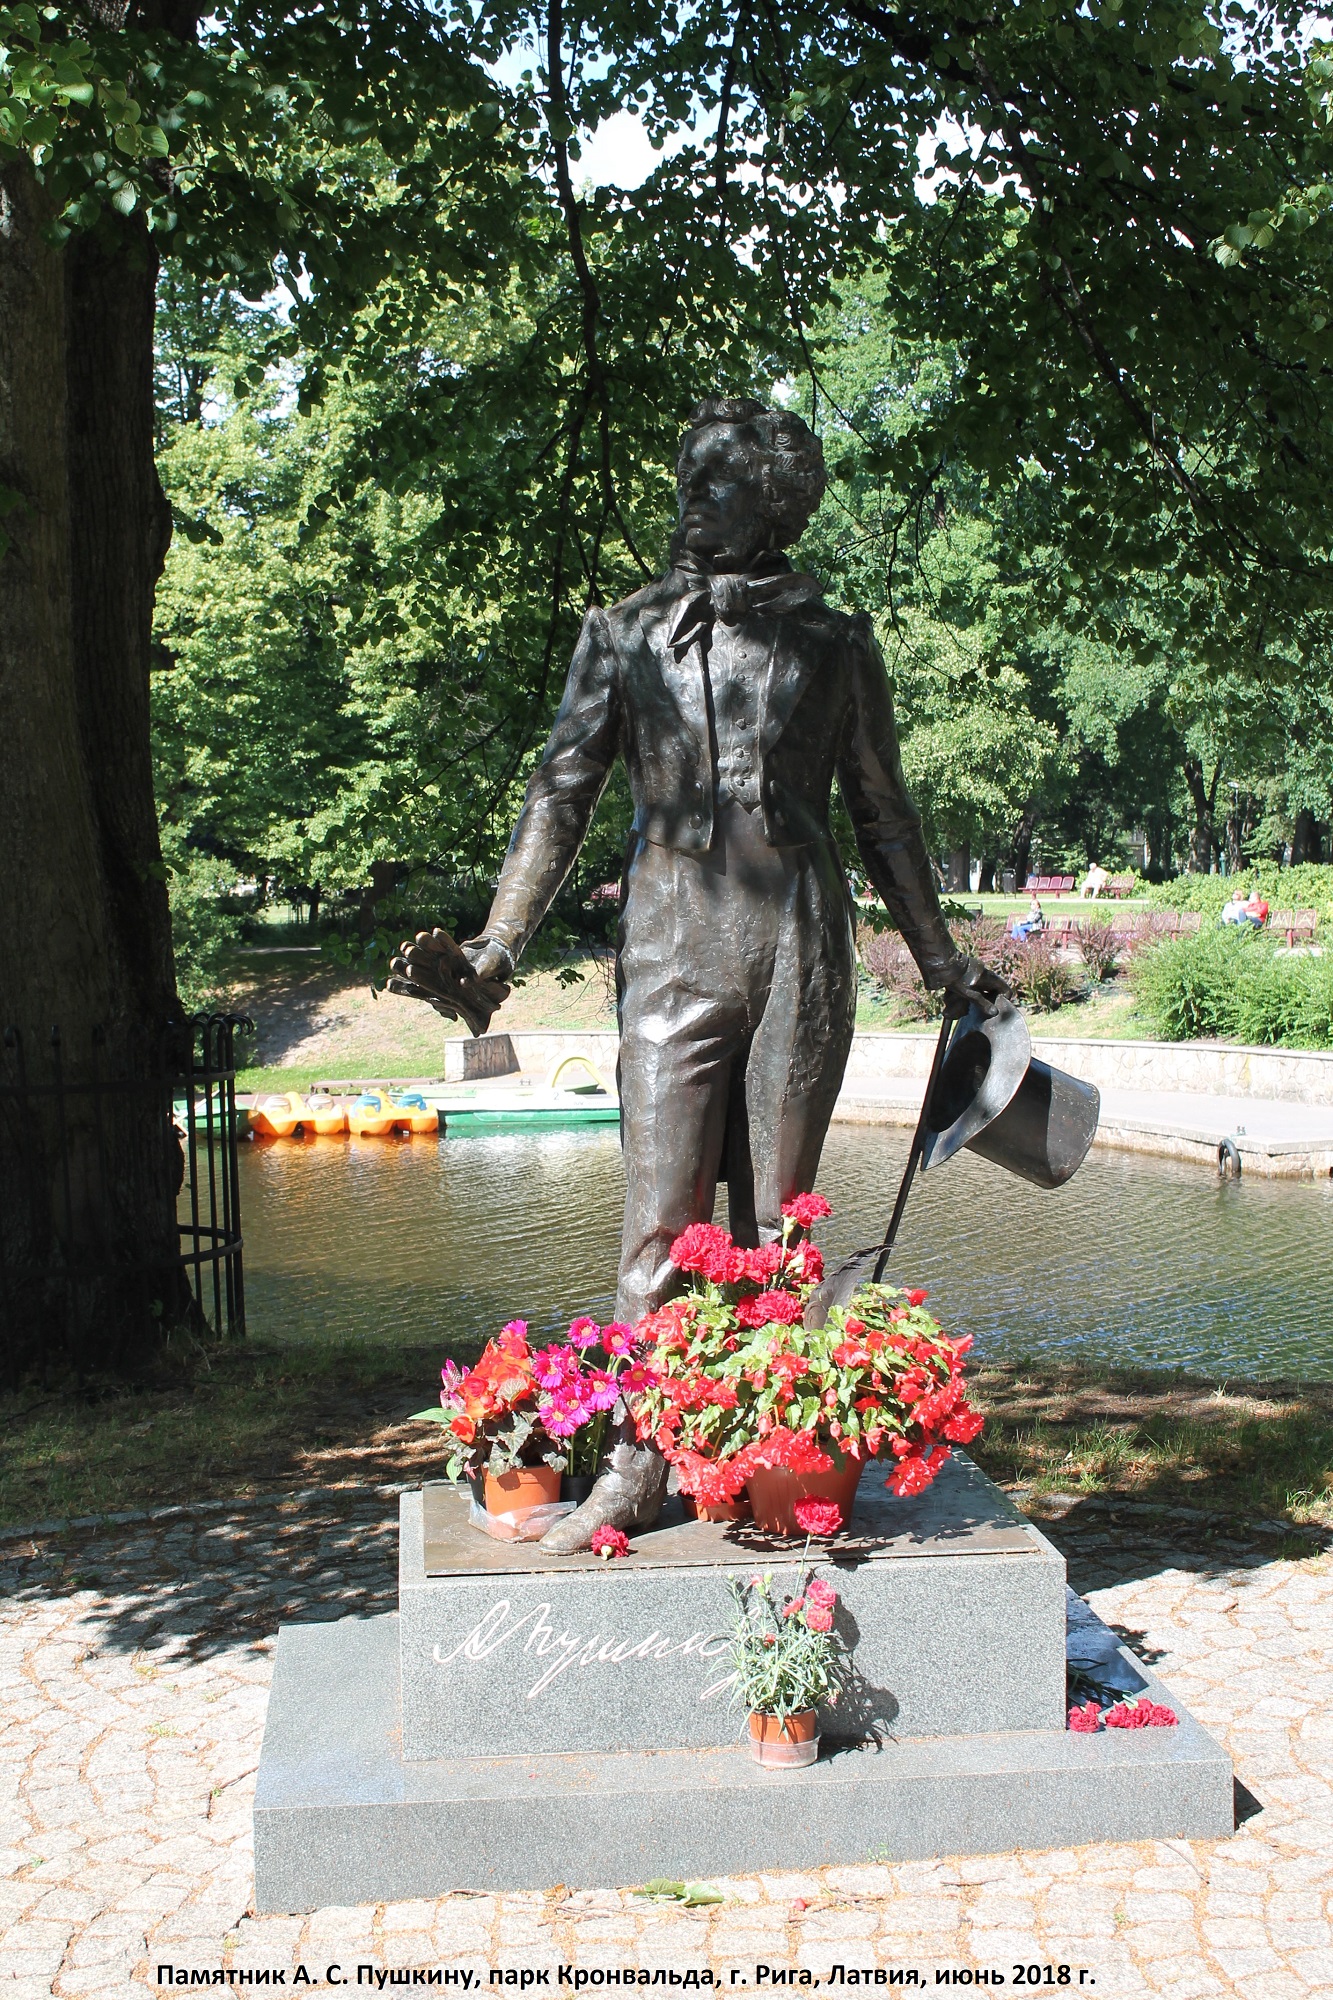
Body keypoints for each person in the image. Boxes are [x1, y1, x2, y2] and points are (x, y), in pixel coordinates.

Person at [390, 395, 1005, 1546]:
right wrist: (494, 950)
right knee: (657, 1221)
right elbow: (559, 793)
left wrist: (941, 959)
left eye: (711, 487)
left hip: (798, 943)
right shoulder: (622, 633)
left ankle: (774, 1458)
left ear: (773, 503)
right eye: (683, 482)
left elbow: (884, 810)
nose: (685, 505)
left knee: (781, 1221)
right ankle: (636, 1462)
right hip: (671, 939)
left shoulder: (834, 643)